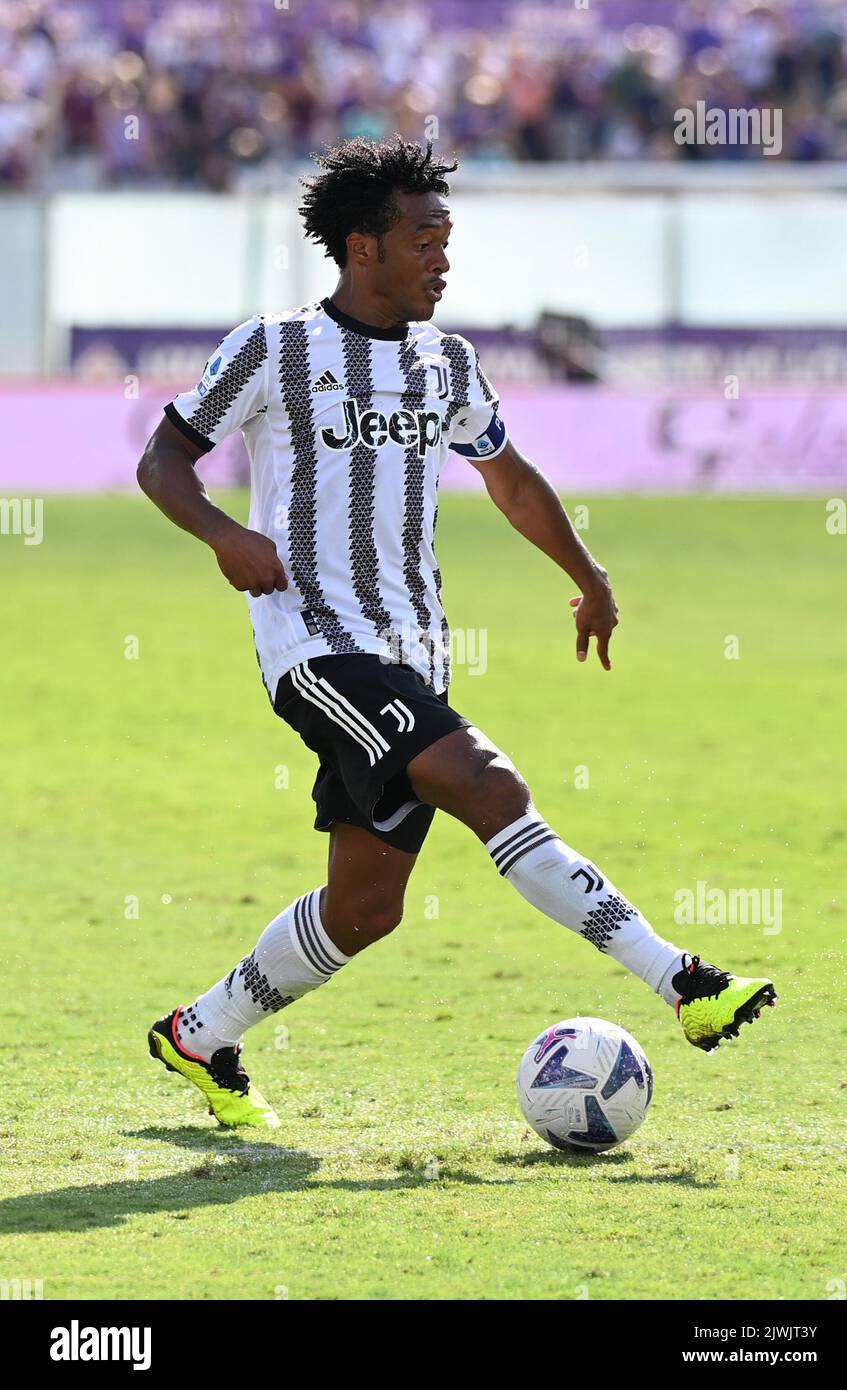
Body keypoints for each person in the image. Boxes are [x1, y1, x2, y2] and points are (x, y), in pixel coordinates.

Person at [136, 135, 776, 1129]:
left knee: (365, 908)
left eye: (448, 237)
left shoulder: (448, 363)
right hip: (315, 648)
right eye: (424, 238)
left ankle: (200, 1033)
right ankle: (682, 981)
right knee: (492, 786)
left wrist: (587, 572)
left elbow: (510, 479)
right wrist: (224, 534)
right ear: (363, 246)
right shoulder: (272, 347)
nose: (443, 257)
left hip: (410, 655)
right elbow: (163, 460)